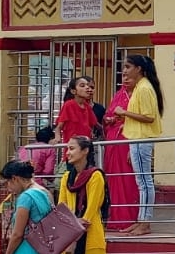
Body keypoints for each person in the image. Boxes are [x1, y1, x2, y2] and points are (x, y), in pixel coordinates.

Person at [117, 55, 164, 236]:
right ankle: (141, 220)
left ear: (139, 69)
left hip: (142, 138)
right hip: (137, 138)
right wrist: (126, 120)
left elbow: (149, 117)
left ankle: (145, 222)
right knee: (142, 182)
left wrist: (124, 112)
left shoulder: (144, 88)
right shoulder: (141, 86)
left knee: (144, 183)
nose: (125, 71)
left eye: (128, 67)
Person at [102, 81, 140, 232]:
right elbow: (108, 115)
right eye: (123, 73)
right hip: (114, 140)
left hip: (128, 140)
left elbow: (146, 119)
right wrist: (109, 119)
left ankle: (131, 218)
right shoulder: (119, 94)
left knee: (129, 180)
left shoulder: (142, 93)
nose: (125, 76)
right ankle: (116, 218)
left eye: (128, 71)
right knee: (114, 179)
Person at [55, 76, 99, 144]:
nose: (87, 87)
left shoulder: (87, 106)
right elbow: (59, 127)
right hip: (73, 147)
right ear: (73, 91)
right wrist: (57, 137)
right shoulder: (68, 105)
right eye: (82, 85)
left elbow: (95, 124)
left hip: (86, 145)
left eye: (87, 85)